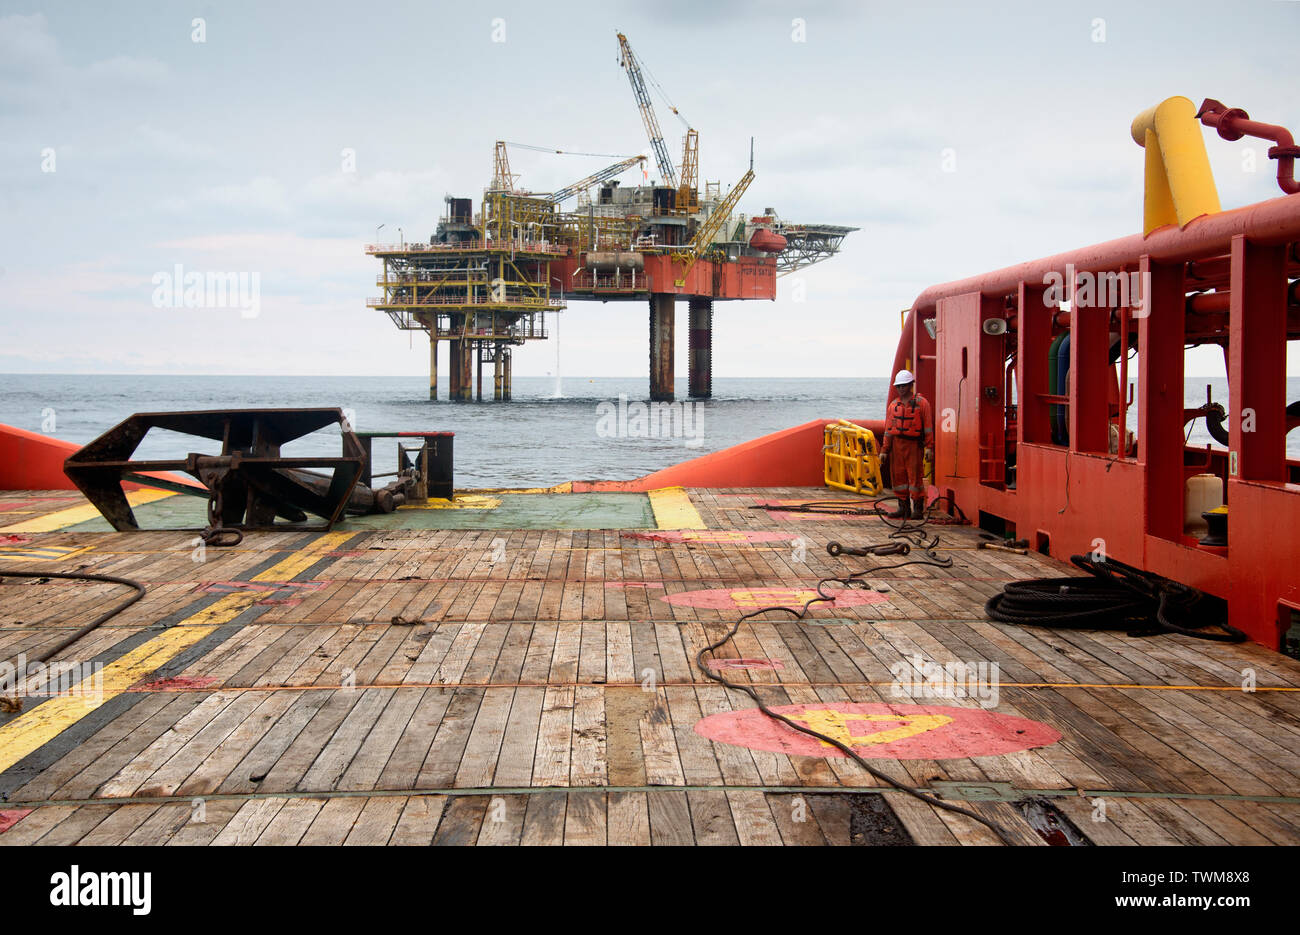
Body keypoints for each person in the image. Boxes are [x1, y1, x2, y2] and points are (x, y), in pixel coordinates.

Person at [880, 370, 933, 519]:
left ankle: (917, 509)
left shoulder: (922, 404)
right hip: (897, 447)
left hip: (914, 446)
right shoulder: (893, 406)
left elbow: (928, 427)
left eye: (904, 385)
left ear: (910, 385)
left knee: (915, 478)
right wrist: (884, 450)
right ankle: (903, 508)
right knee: (898, 478)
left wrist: (929, 447)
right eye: (899, 386)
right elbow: (888, 430)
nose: (901, 388)